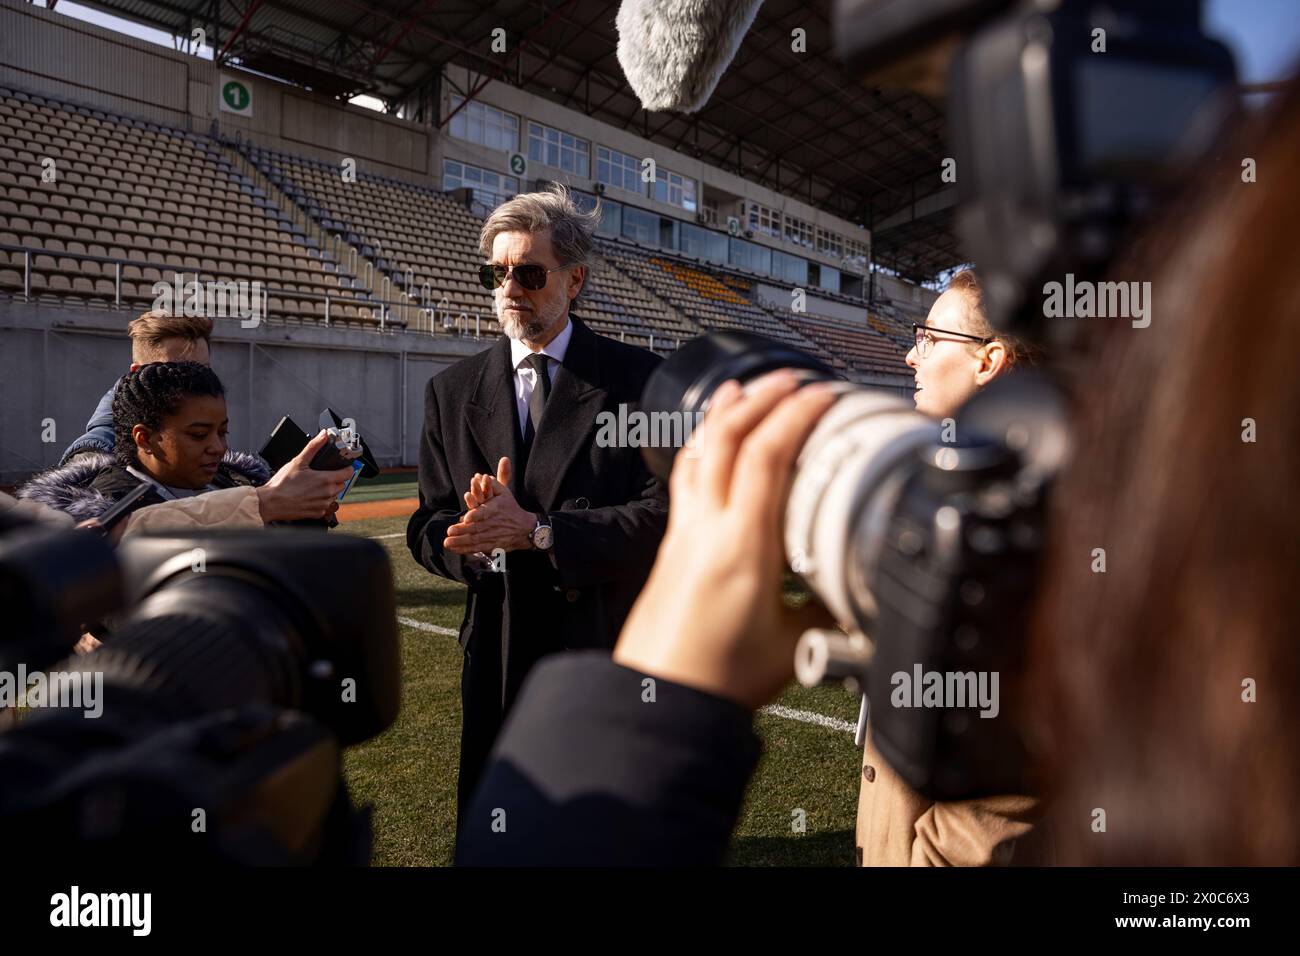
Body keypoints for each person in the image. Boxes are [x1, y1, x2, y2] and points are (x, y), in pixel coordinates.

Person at [406, 184, 668, 827]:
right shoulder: (452, 390)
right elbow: (426, 522)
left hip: (601, 645)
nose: (509, 288)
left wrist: (542, 532)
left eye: (527, 272)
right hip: (496, 648)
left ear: (574, 279)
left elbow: (668, 517)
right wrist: (471, 540)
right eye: (495, 274)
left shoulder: (642, 381)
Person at [859, 269, 1047, 866]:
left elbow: (1008, 798)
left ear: (988, 361)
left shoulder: (1031, 511)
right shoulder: (949, 481)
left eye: (930, 337)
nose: (912, 356)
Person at [20, 361, 353, 528]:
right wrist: (266, 504)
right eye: (198, 434)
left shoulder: (232, 479)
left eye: (222, 432)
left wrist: (303, 515)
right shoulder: (107, 504)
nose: (217, 447)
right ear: (144, 438)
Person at [60, 311, 214, 465]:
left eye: (203, 370)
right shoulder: (95, 459)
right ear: (137, 373)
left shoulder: (211, 438)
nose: (196, 383)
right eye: (176, 371)